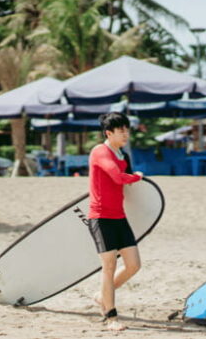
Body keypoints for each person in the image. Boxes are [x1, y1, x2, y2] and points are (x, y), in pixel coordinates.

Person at [88, 112, 144, 331]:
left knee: (134, 265)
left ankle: (102, 295)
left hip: (119, 217)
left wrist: (133, 178)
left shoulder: (123, 155)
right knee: (109, 266)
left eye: (127, 130)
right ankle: (111, 318)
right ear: (108, 133)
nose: (125, 134)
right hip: (100, 217)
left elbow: (127, 185)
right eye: (121, 130)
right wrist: (138, 176)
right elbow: (119, 177)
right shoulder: (100, 151)